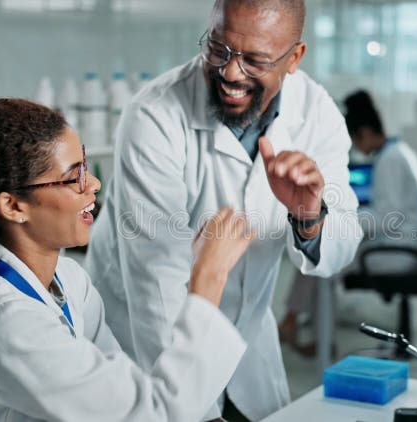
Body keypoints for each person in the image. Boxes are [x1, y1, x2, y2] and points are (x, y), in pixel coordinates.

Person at [0, 98, 253, 422]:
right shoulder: (3, 325)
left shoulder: (69, 279)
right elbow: (152, 414)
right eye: (73, 178)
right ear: (14, 206)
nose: (93, 185)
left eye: (85, 166)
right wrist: (209, 276)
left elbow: (126, 391)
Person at [85, 0, 363, 420]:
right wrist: (196, 412)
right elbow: (157, 287)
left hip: (246, 337)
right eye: (219, 49)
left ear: (294, 58)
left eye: (255, 60)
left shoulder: (316, 114)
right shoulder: (154, 115)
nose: (231, 72)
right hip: (143, 345)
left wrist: (310, 217)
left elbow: (341, 243)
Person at [277, 89, 417, 354]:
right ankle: (301, 326)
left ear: (365, 133)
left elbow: (387, 218)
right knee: (319, 254)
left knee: (324, 259)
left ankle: (315, 337)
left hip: (396, 252)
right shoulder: (400, 151)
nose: (357, 149)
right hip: (402, 245)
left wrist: (344, 221)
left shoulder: (390, 160)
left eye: (355, 141)